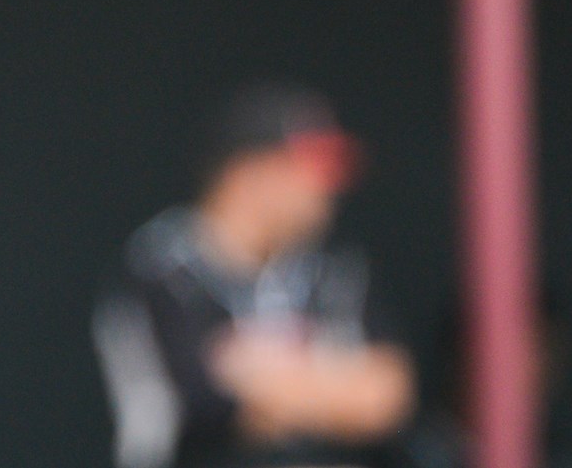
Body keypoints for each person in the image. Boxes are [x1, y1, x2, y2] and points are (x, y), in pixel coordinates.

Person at [94, 84, 414, 468]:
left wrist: (261, 376)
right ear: (249, 172)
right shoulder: (162, 271)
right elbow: (202, 406)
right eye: (311, 167)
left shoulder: (332, 273)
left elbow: (387, 399)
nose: (325, 189)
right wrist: (331, 384)